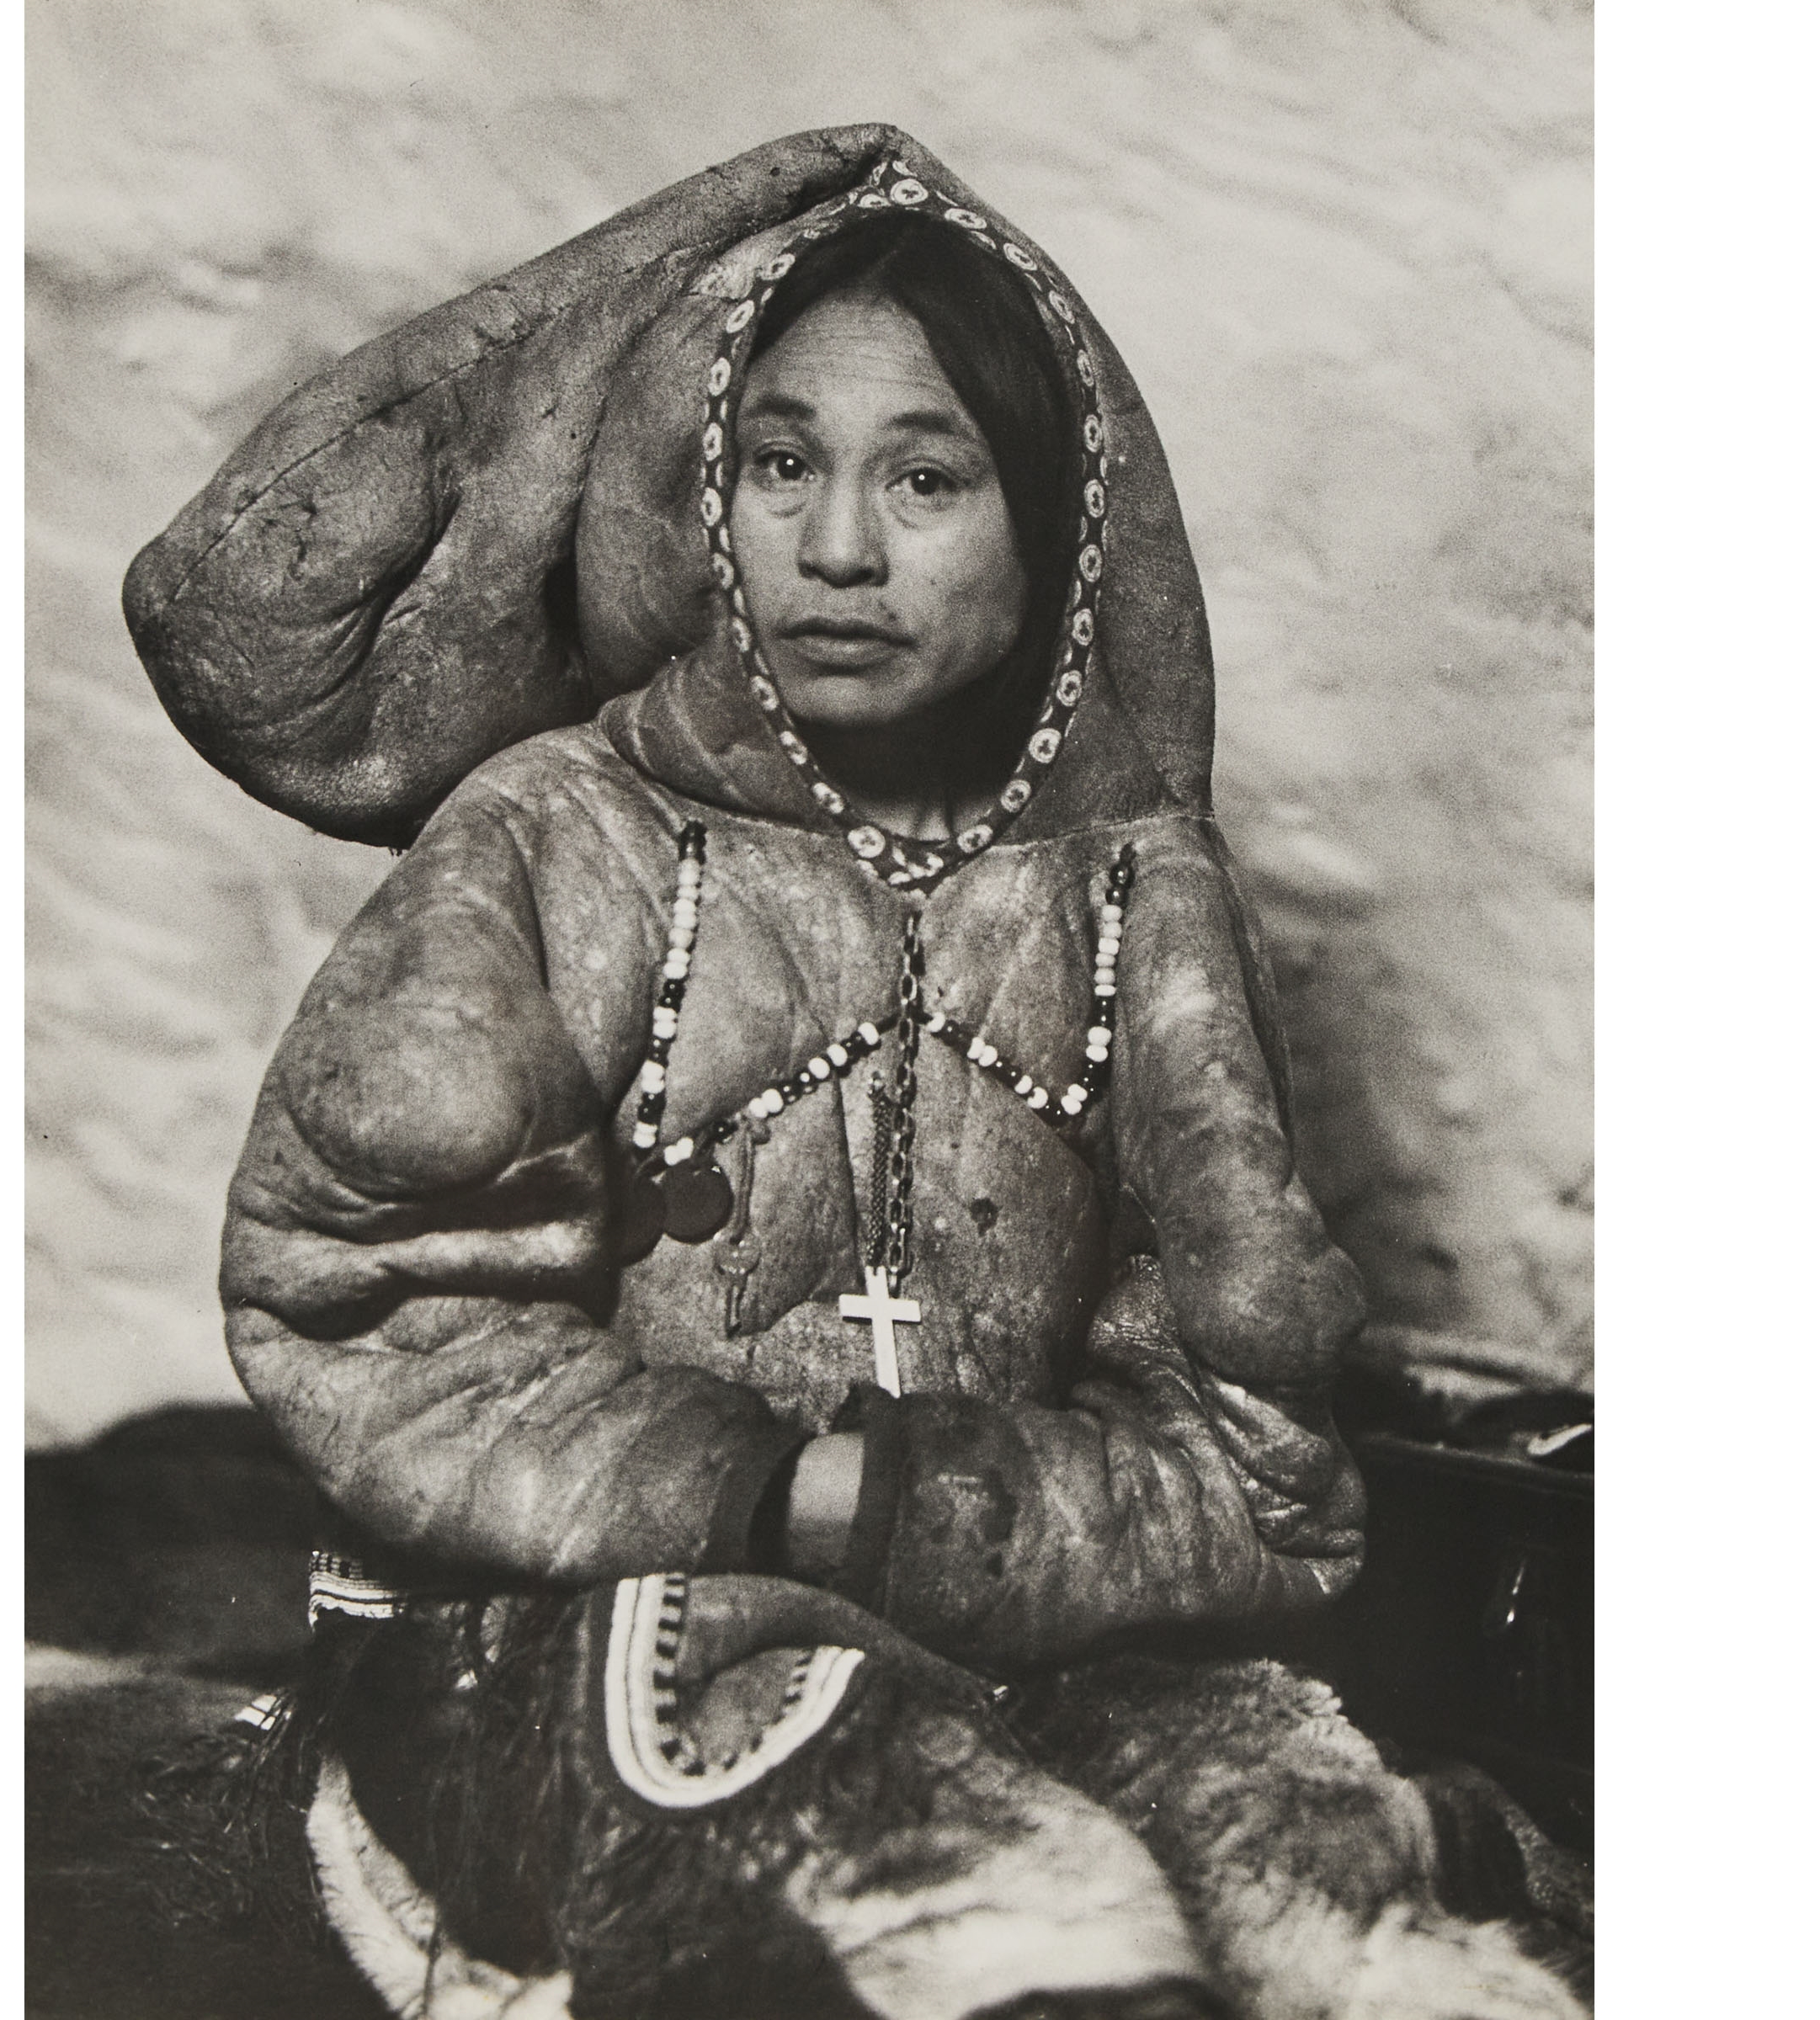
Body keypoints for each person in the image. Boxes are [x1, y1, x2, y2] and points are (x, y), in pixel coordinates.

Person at [125, 130, 1586, 2020]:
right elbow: (368, 1306)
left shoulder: (1136, 898)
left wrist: (963, 1527)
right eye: (779, 463)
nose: (834, 549)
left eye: (924, 477)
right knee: (891, 1838)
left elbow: (1252, 1441)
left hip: (1048, 1636)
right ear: (695, 495)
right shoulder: (555, 844)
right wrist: (757, 1500)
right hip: (591, 1622)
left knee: (1305, 1854)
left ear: (1047, 525)